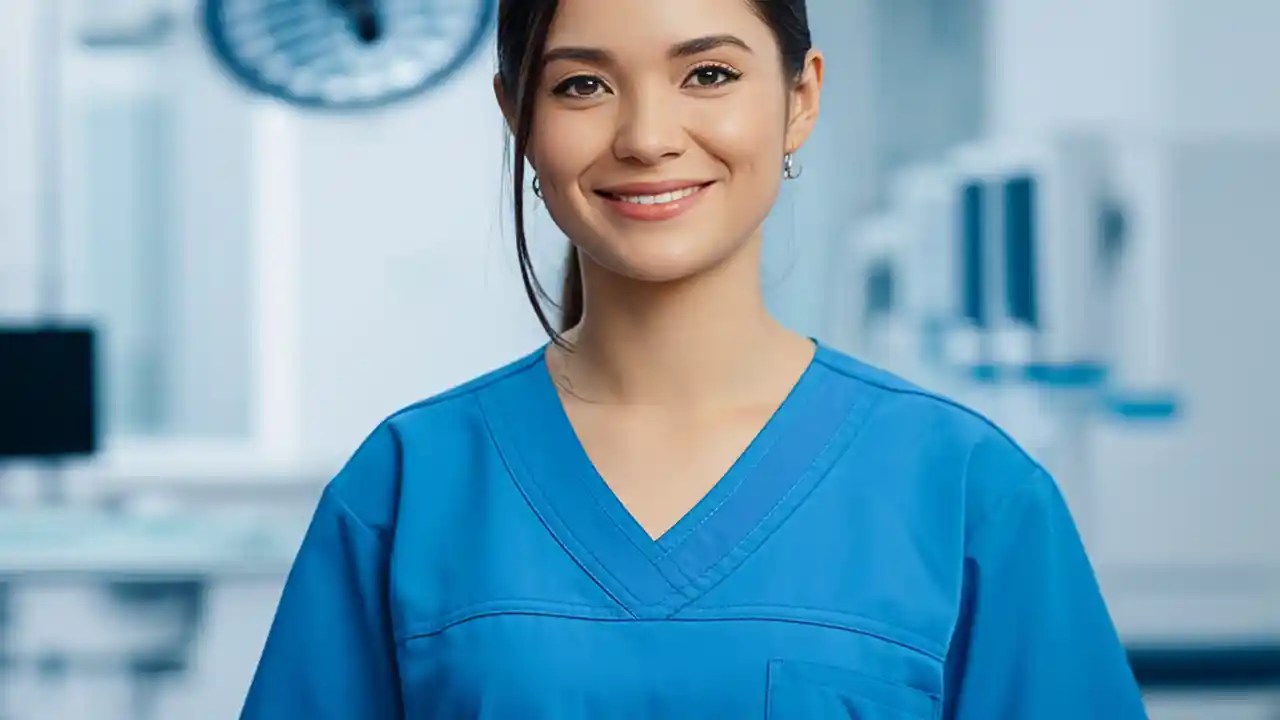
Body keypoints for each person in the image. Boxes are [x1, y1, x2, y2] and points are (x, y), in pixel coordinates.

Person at [240, 0, 1149, 717]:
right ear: (517, 116)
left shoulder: (965, 490)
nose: (645, 135)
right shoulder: (410, 484)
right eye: (581, 87)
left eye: (707, 74)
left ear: (800, 100)